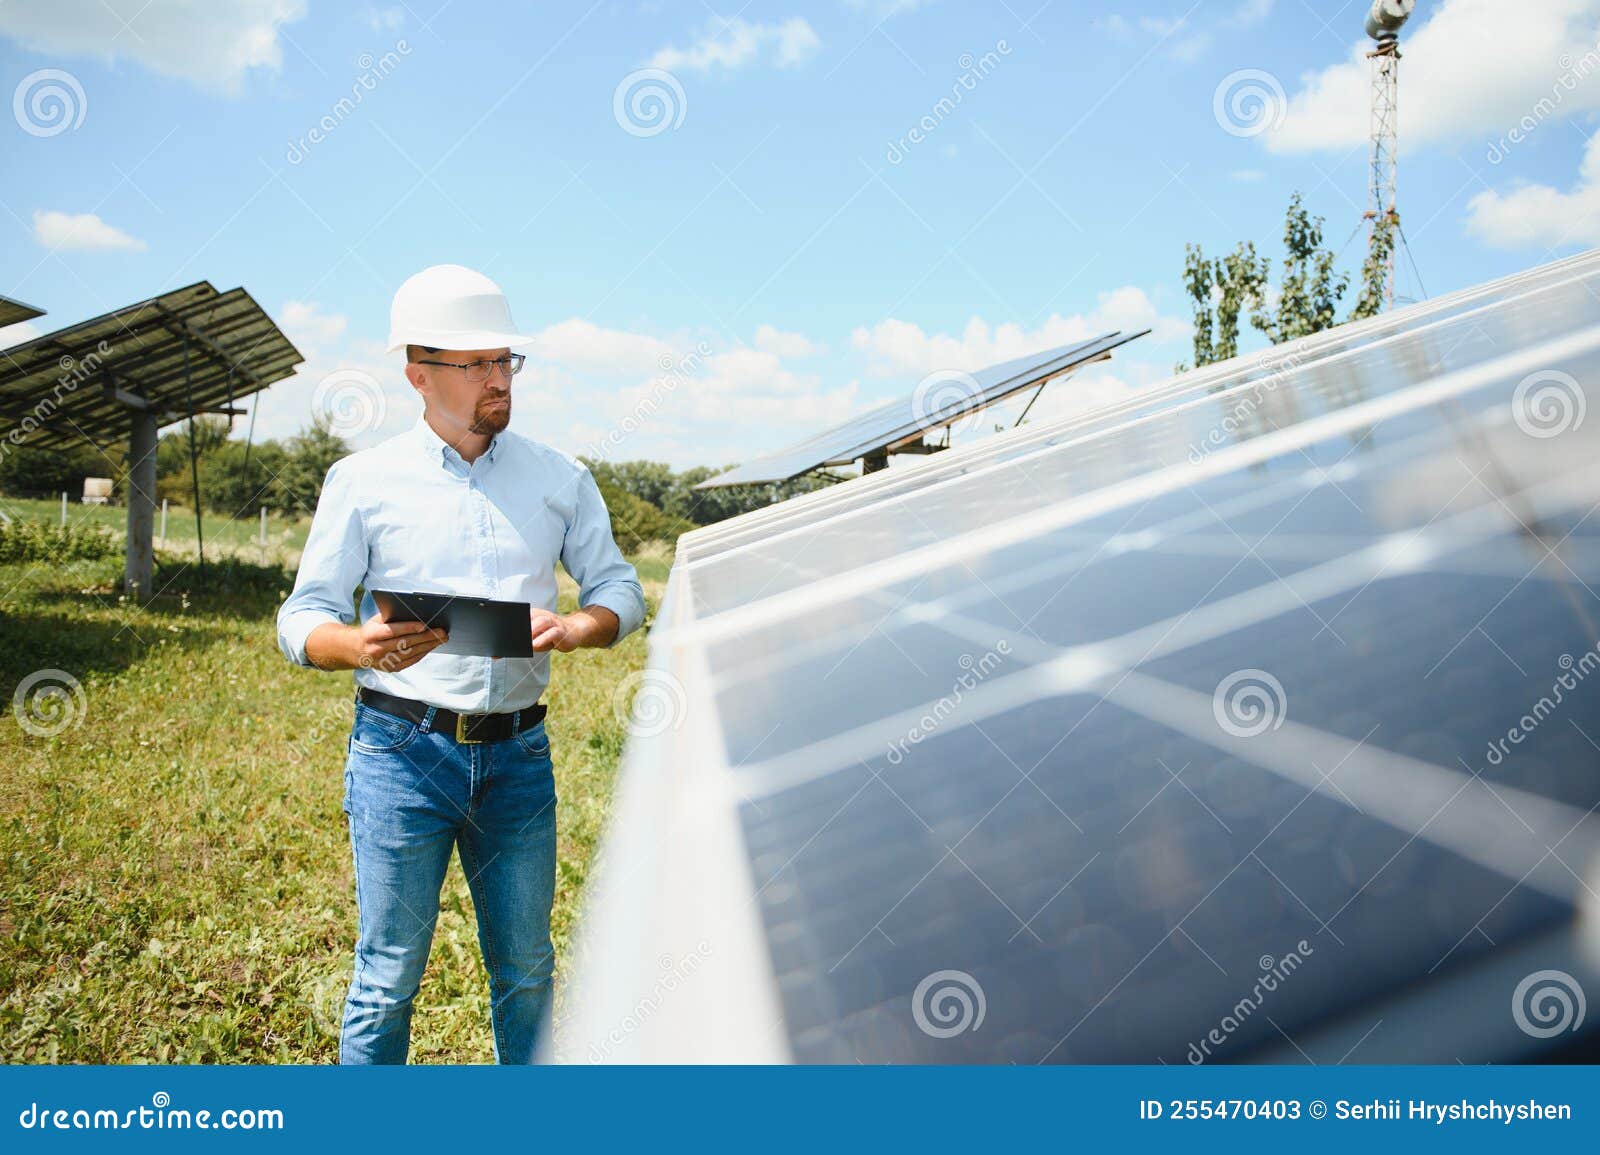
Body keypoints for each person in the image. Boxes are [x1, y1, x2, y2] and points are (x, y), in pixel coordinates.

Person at [275, 264, 646, 1064]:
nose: (497, 379)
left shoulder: (562, 479)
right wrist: (355, 645)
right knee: (388, 975)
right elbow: (300, 616)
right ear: (419, 374)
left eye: (505, 361)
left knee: (528, 971)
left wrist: (582, 625)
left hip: (518, 757)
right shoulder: (363, 482)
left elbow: (622, 587)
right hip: (402, 756)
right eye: (474, 364)